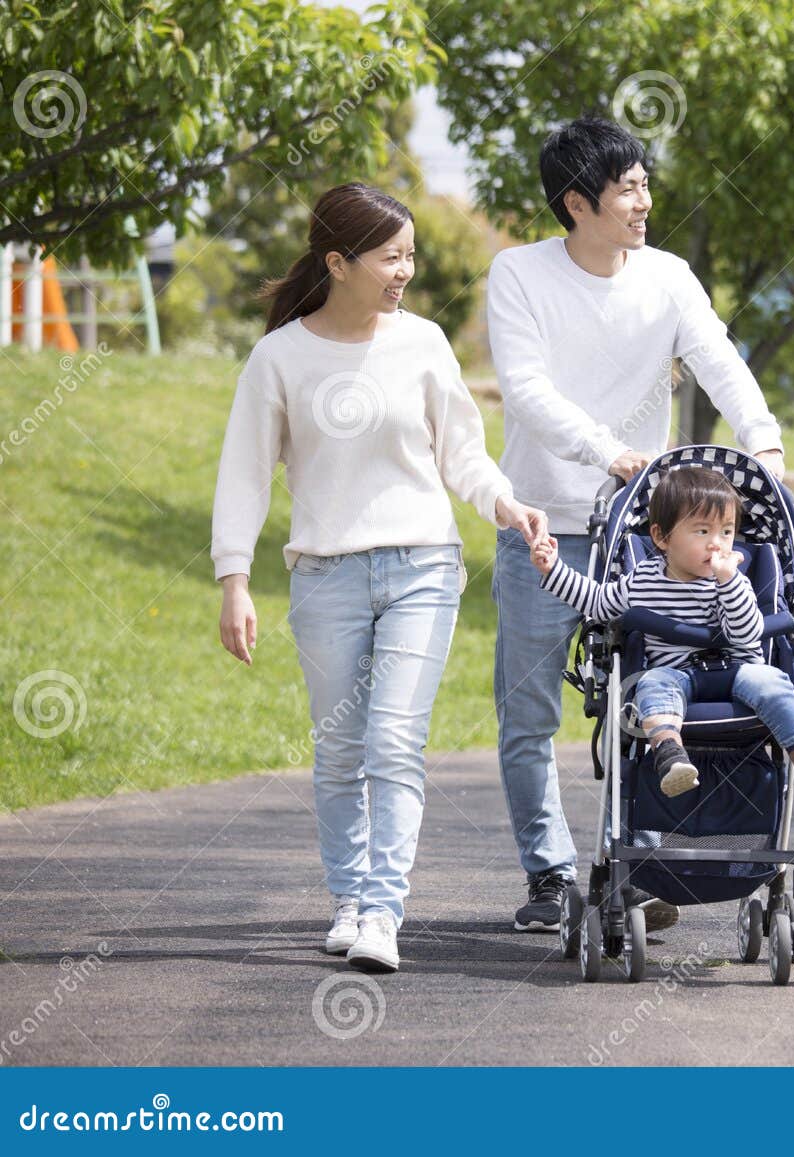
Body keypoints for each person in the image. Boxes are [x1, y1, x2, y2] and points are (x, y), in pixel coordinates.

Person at [212, 183, 548, 974]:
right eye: (391, 256)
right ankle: (350, 898)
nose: (406, 269)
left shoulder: (424, 343)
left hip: (422, 567)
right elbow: (245, 474)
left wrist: (505, 502)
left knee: (393, 740)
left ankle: (384, 913)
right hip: (324, 573)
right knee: (337, 751)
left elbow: (460, 450)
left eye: (410, 255)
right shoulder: (280, 357)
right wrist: (233, 578)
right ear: (339, 261)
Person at [486, 114, 788, 933]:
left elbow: (720, 359)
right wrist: (613, 452)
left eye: (646, 184)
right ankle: (549, 874)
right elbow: (525, 387)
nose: (645, 202)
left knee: (646, 699)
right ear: (578, 203)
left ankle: (643, 862)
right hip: (546, 525)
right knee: (529, 714)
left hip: (646, 536)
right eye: (628, 190)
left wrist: (764, 444)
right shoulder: (518, 274)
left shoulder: (669, 276)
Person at [533, 466, 794, 804]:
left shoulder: (732, 580)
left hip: (740, 671)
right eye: (702, 531)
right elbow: (598, 602)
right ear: (662, 538)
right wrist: (553, 569)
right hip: (678, 674)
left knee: (773, 682)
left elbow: (745, 631)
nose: (717, 544)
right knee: (651, 683)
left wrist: (729, 581)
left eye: (726, 532)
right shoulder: (644, 579)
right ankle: (670, 755)